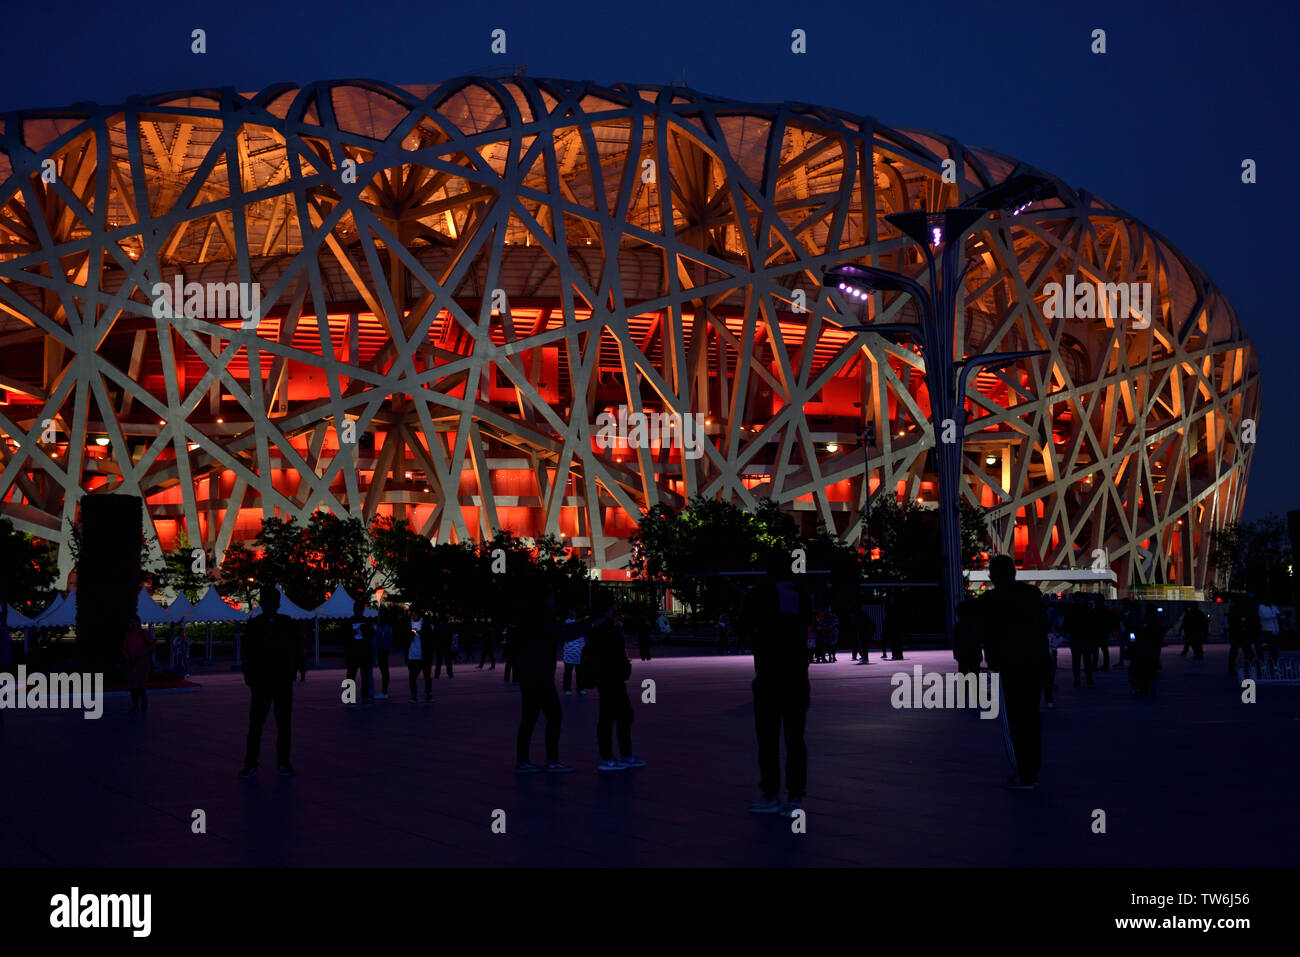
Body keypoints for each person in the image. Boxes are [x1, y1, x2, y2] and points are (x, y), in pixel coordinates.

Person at [745, 569, 812, 817]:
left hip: (769, 676)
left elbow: (746, 624)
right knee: (796, 739)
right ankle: (795, 796)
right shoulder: (800, 594)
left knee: (768, 740)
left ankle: (770, 793)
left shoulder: (760, 594)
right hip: (796, 676)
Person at [980, 555, 1049, 790]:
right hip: (1035, 664)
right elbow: (1043, 629)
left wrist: (992, 660)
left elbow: (987, 632)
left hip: (1009, 666)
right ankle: (1033, 771)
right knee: (1031, 718)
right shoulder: (1032, 596)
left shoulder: (994, 600)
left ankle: (1024, 774)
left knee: (1014, 723)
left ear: (993, 576)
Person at [239, 587, 297, 777]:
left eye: (272, 602)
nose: (270, 605)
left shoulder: (282, 624)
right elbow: (247, 652)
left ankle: (272, 762)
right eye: (268, 601)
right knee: (260, 724)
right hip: (265, 680)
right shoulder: (257, 625)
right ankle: (262, 762)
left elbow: (293, 649)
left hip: (275, 680)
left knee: (274, 724)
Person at [515, 597, 572, 773]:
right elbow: (565, 633)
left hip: (530, 677)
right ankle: (551, 760)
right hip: (541, 678)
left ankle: (523, 761)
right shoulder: (545, 623)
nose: (554, 605)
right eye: (551, 602)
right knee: (554, 716)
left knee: (529, 719)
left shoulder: (529, 622)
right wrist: (593, 621)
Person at [587, 590, 642, 771]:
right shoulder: (604, 628)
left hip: (610, 677)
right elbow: (608, 654)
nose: (616, 606)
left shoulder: (603, 626)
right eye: (613, 603)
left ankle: (618, 756)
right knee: (615, 715)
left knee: (618, 715)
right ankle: (610, 757)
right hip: (610, 677)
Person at [122, 615, 156, 714]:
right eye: (130, 622)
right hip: (132, 663)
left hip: (142, 664)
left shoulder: (144, 633)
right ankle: (135, 704)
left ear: (138, 622)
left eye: (133, 622)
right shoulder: (127, 635)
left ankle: (143, 701)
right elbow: (124, 648)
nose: (131, 625)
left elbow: (152, 645)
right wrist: (126, 655)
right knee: (133, 686)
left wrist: (144, 653)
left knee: (140, 685)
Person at [345, 600, 375, 703]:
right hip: (354, 652)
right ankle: (350, 697)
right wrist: (352, 633)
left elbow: (371, 634)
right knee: (351, 675)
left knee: (364, 676)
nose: (358, 612)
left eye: (360, 610)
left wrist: (363, 631)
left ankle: (364, 696)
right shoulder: (349, 622)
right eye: (357, 610)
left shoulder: (366, 621)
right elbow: (344, 637)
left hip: (364, 652)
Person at [1129, 606, 1163, 696]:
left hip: (1144, 650)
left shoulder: (1145, 625)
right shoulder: (1154, 624)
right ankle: (1148, 688)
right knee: (1149, 670)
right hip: (1150, 650)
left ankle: (1143, 687)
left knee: (1141, 670)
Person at [1065, 595, 1095, 687]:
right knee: (1086, 660)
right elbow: (1092, 626)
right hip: (1083, 639)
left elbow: (1067, 625)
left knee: (1078, 661)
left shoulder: (1072, 612)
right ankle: (1087, 679)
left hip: (1077, 639)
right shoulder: (1088, 612)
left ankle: (1078, 679)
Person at [407, 610, 433, 702]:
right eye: (412, 614)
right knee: (412, 677)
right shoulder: (407, 623)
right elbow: (402, 638)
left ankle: (428, 695)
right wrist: (410, 636)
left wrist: (422, 634)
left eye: (415, 614)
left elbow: (431, 638)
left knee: (427, 676)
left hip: (424, 655)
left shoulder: (425, 623)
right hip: (412, 656)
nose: (413, 616)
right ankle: (414, 696)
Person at [953, 599, 982, 677]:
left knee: (963, 676)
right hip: (973, 654)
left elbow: (955, 641)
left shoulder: (959, 624)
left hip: (963, 654)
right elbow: (978, 640)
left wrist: (956, 654)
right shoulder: (975, 624)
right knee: (975, 677)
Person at [561, 609, 586, 696]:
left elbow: (582, 637)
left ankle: (579, 688)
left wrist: (583, 645)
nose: (574, 614)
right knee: (569, 672)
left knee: (579, 672)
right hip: (569, 651)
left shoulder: (577, 624)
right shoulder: (567, 624)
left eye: (574, 612)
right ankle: (568, 688)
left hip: (578, 652)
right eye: (572, 612)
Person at [373, 616, 393, 698]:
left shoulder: (383, 628)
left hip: (382, 650)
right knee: (384, 671)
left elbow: (380, 639)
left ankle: (384, 692)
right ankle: (384, 691)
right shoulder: (386, 627)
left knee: (384, 671)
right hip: (382, 650)